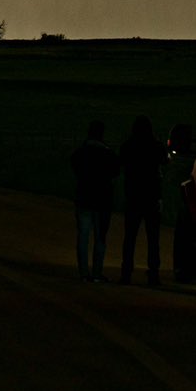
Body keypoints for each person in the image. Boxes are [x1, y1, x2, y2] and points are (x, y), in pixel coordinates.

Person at [118, 114, 167, 285]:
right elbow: (165, 160)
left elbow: (120, 162)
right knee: (153, 238)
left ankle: (126, 272)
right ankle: (153, 273)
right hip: (152, 197)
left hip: (133, 196)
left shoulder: (129, 146)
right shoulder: (156, 146)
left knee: (130, 237)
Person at [70, 119, 119, 282]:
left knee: (83, 236)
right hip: (102, 200)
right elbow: (115, 173)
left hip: (84, 197)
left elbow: (75, 167)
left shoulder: (81, 152)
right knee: (100, 238)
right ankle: (97, 273)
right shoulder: (108, 154)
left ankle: (84, 272)